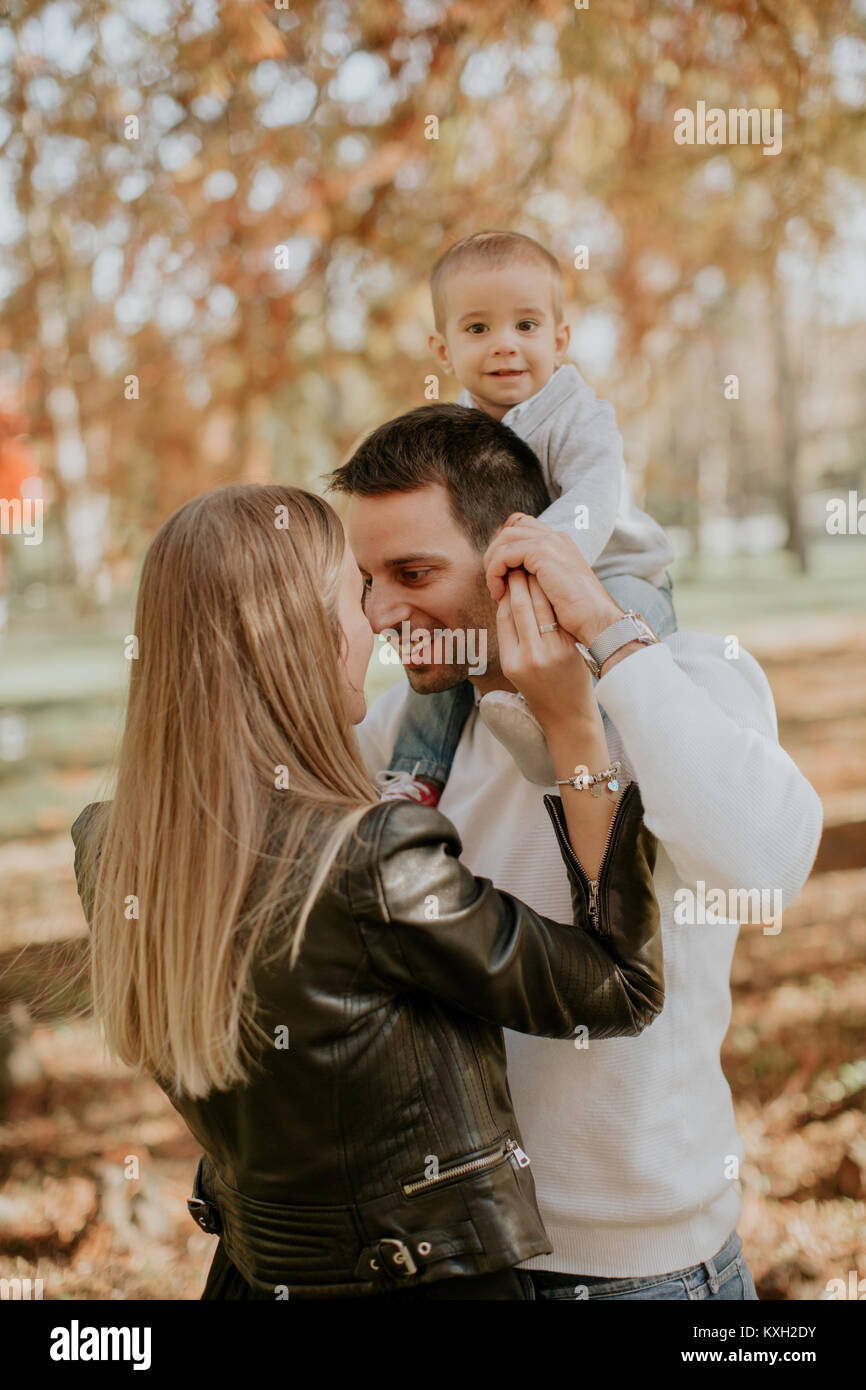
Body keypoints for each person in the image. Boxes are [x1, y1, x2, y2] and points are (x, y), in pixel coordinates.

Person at [70, 483, 664, 1301]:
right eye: (357, 593)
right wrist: (573, 727)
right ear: (296, 638)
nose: (380, 619)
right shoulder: (369, 863)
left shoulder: (109, 850)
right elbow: (621, 989)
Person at [331, 405, 824, 1301]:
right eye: (366, 578)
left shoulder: (687, 676)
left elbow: (763, 875)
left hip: (643, 1271)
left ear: (518, 553)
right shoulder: (410, 742)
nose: (380, 610)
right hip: (461, 1260)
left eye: (412, 572)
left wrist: (608, 638)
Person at [382, 228, 677, 804]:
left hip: (614, 573)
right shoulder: (451, 434)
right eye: (477, 328)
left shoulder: (578, 416)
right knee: (443, 643)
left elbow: (592, 500)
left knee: (626, 631)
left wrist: (543, 557)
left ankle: (568, 732)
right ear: (443, 350)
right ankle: (414, 773)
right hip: (509, 578)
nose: (504, 345)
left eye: (526, 325)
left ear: (560, 338)